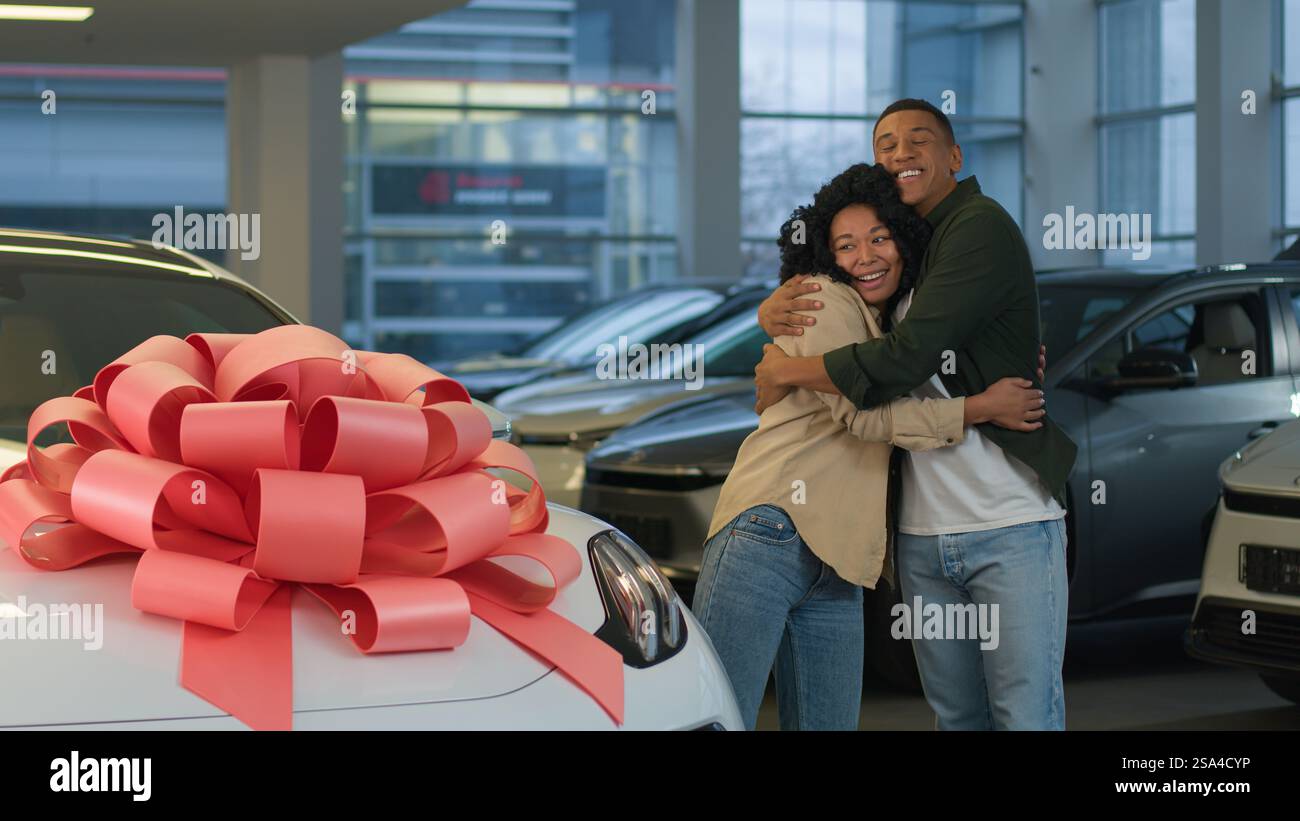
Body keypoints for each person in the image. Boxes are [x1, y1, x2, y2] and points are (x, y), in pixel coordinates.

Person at [753, 99, 1079, 730]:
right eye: (886, 145)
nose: (900, 153)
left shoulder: (977, 227)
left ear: (954, 156)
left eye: (918, 140)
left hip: (1008, 523)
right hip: (923, 538)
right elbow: (840, 295)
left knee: (1025, 715)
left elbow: (902, 359)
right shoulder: (907, 258)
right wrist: (771, 313)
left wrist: (789, 371)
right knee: (957, 718)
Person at [693, 161, 1045, 731]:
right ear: (827, 257)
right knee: (717, 716)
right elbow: (867, 419)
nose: (866, 257)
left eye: (879, 238)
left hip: (841, 560)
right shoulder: (825, 301)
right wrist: (980, 409)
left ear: (904, 242)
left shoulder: (893, 328)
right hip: (769, 530)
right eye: (846, 245)